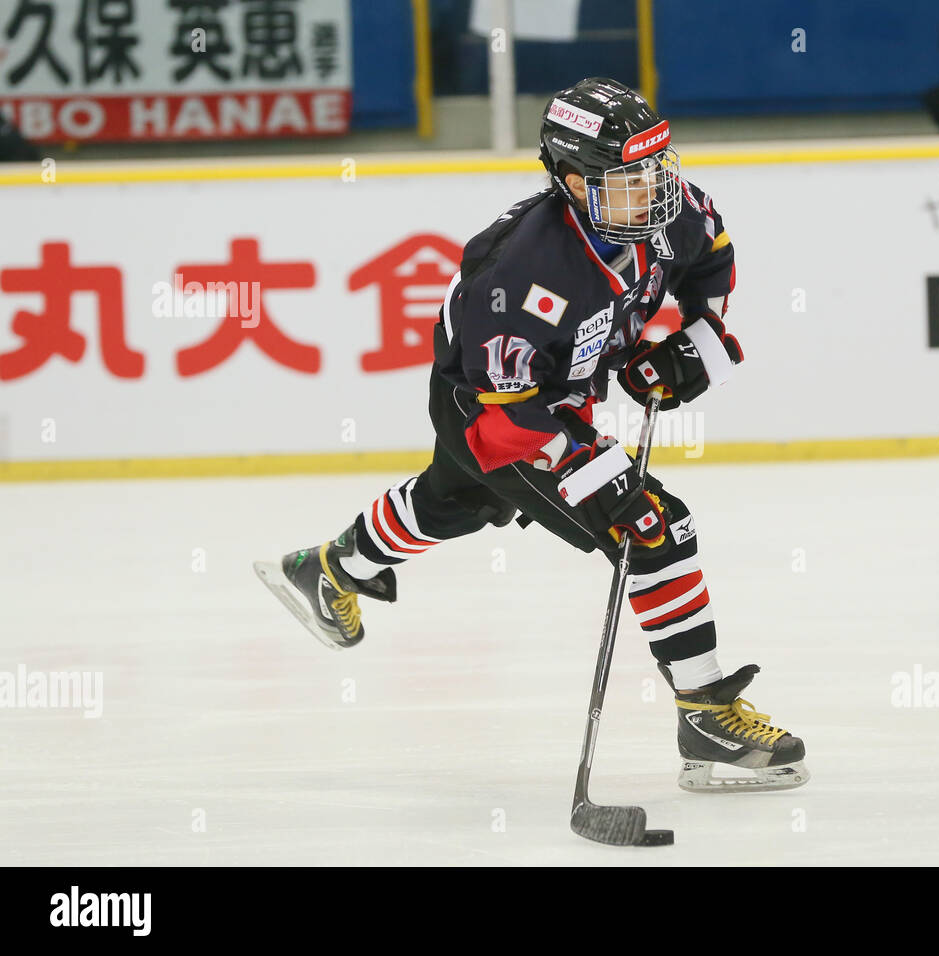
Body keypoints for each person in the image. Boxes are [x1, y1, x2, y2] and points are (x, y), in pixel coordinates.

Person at [256, 77, 808, 793]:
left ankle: (333, 568)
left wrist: (687, 339)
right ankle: (705, 714)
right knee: (651, 526)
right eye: (627, 177)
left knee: (453, 501)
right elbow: (509, 419)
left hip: (550, 398)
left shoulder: (668, 210)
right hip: (496, 412)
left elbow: (711, 260)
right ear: (574, 184)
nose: (654, 189)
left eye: (655, 167)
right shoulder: (520, 276)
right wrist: (595, 473)